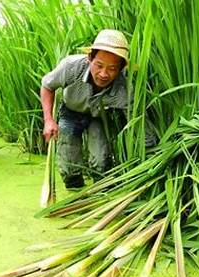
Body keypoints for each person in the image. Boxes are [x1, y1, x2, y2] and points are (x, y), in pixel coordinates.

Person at [41, 29, 154, 189]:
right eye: (99, 65)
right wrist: (49, 120)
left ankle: (101, 192)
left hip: (99, 117)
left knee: (100, 160)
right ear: (90, 58)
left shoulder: (123, 90)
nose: (103, 74)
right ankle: (75, 190)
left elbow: (139, 125)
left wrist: (152, 154)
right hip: (71, 112)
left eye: (112, 68)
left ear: (121, 69)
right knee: (69, 162)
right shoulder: (71, 67)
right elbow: (47, 86)